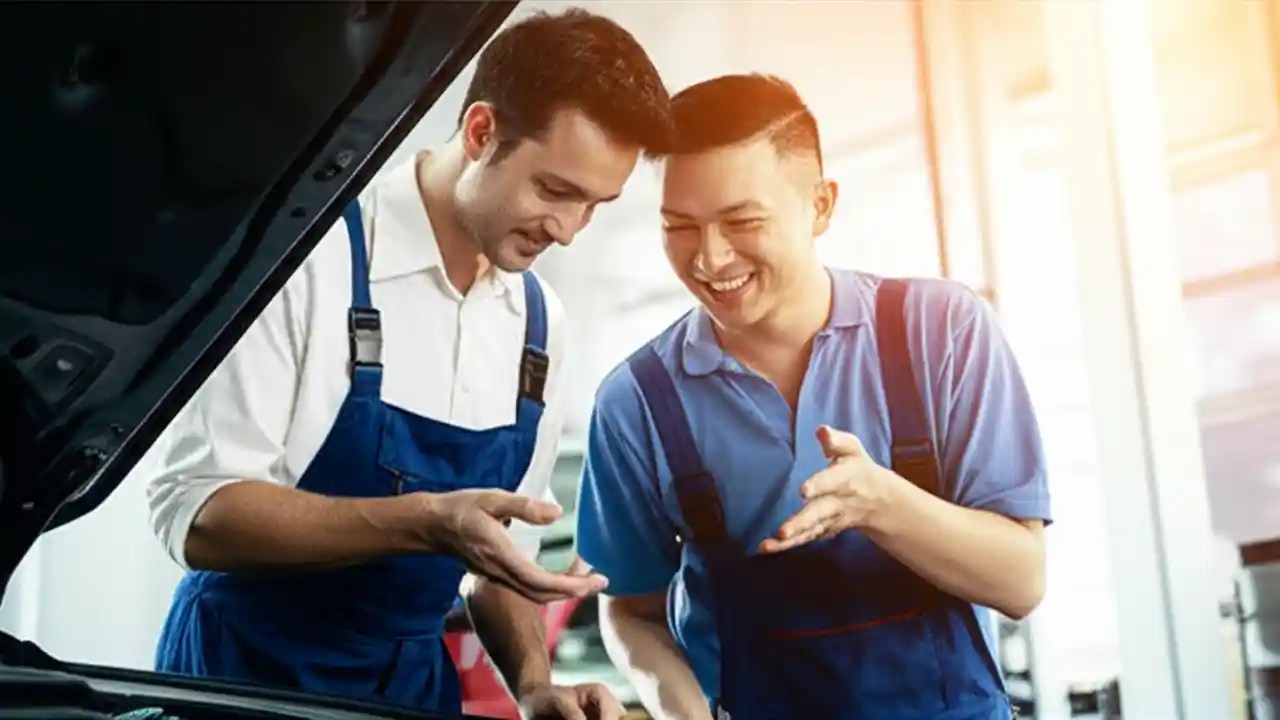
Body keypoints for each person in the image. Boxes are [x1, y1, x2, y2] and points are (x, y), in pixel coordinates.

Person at [145, 8, 672, 719]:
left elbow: (498, 570)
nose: (570, 232)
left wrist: (535, 686)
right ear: (482, 131)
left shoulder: (540, 329)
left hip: (411, 696)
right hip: (246, 681)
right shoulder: (304, 261)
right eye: (554, 191)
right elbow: (197, 513)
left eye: (595, 206)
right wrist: (424, 520)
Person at [574, 74, 1051, 720]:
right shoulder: (638, 402)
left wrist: (881, 504)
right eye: (679, 226)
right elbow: (631, 613)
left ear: (821, 205)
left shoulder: (941, 332)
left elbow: (1020, 580)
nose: (709, 259)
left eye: (741, 221)